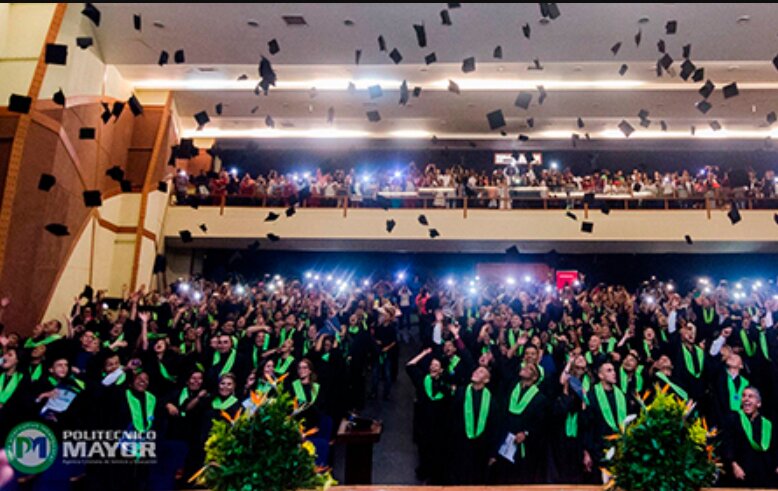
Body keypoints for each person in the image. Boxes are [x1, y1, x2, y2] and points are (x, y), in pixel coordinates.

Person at [406, 347, 451, 484]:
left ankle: (435, 476)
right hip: (423, 423)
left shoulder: (445, 385)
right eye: (431, 365)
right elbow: (410, 366)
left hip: (439, 426)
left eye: (436, 365)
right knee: (423, 450)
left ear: (441, 370)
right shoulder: (422, 380)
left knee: (437, 452)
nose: (433, 367)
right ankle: (423, 471)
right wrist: (424, 354)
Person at [448, 366, 496, 485]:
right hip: (460, 442)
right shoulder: (460, 392)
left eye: (481, 372)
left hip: (480, 446)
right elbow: (451, 416)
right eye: (476, 370)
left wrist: (492, 452)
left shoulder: (492, 400)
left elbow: (493, 427)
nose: (475, 372)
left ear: (486, 380)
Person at [724, 387, 778, 487]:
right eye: (744, 396)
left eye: (750, 396)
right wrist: (734, 465)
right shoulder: (734, 419)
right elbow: (728, 444)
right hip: (741, 472)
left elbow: (774, 448)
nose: (746, 399)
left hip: (764, 473)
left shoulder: (767, 424)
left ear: (759, 403)